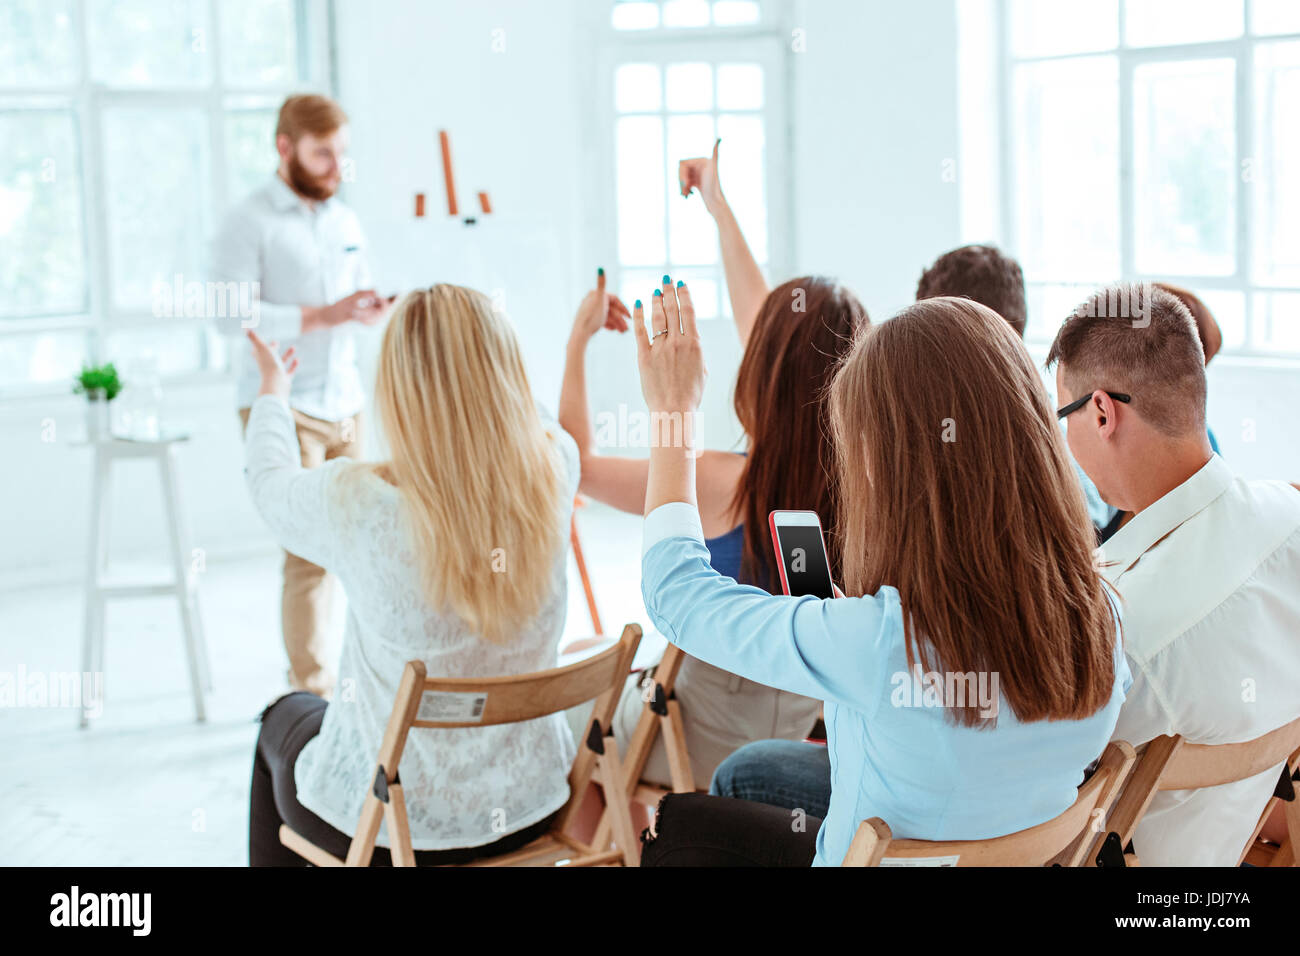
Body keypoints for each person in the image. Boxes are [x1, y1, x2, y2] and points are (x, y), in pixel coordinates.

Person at [633, 283, 1130, 866]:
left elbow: (675, 592)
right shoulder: (1104, 616)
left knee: (680, 830)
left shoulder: (876, 641)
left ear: (892, 471)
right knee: (748, 776)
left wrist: (672, 415)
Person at [558, 143, 867, 788]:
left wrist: (577, 341)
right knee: (594, 660)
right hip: (780, 738)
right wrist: (719, 209)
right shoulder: (861, 487)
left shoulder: (717, 480)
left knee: (574, 675)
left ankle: (611, 845)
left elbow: (575, 463)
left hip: (691, 749)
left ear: (760, 372)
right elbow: (789, 346)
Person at [245, 284, 581, 866]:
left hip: (392, 833)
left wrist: (273, 392)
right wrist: (463, 354)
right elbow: (523, 410)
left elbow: (269, 485)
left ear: (396, 391)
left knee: (283, 716)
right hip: (530, 809)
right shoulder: (556, 467)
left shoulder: (357, 503)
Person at [1048, 282, 1300, 866]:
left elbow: (1027, 808)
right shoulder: (1290, 515)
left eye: (1064, 416)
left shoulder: (1121, 638)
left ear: (1102, 411)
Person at [212, 93, 394, 697]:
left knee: (365, 543)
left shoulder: (344, 219)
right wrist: (321, 316)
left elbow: (352, 294)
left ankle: (369, 683)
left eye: (341, 153)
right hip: (283, 403)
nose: (335, 166)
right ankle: (309, 695)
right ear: (284, 147)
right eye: (322, 154)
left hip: (347, 402)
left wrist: (364, 309)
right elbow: (227, 315)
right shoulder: (248, 220)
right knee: (309, 553)